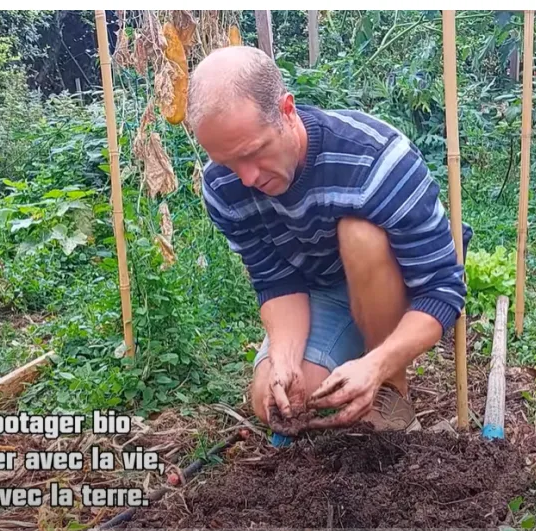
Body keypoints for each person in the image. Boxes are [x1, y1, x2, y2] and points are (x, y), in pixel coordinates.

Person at [187, 46, 471, 434]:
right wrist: (284, 359)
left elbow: (442, 290)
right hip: (322, 288)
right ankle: (331, 361)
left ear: (287, 111)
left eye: (253, 153)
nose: (247, 177)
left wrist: (378, 364)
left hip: (396, 278)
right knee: (271, 399)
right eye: (228, 162)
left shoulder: (377, 160)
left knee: (361, 235)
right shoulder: (223, 186)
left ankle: (391, 388)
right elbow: (275, 280)